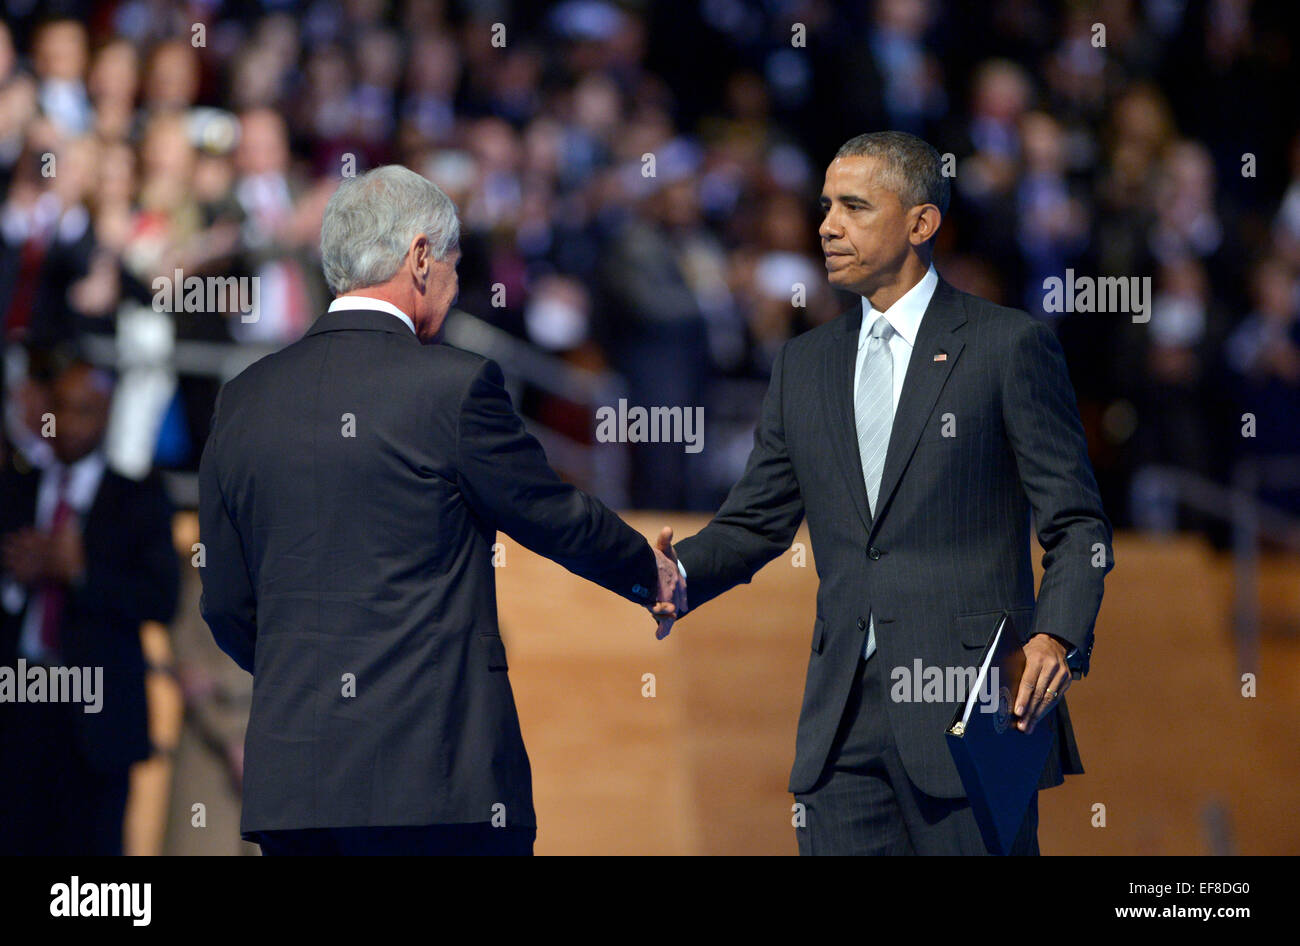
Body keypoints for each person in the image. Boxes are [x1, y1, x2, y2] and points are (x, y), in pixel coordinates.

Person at [198, 165, 683, 856]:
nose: (456, 288)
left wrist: (305, 677)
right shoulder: (454, 388)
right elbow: (552, 513)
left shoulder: (243, 398)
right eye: (455, 266)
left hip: (299, 791)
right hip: (440, 786)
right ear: (422, 258)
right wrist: (649, 571)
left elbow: (224, 604)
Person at [654, 131, 1113, 855]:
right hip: (839, 730)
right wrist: (677, 573)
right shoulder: (803, 365)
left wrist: (1055, 636)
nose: (827, 224)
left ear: (921, 224)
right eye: (827, 205)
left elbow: (1080, 524)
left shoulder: (1005, 346)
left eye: (855, 206)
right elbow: (755, 522)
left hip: (974, 713)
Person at [0, 359, 179, 855]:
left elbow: (161, 602)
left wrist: (79, 574)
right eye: (58, 407)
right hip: (20, 706)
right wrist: (17, 578)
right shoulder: (14, 489)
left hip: (97, 721)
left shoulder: (138, 498)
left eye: (82, 410)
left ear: (104, 417)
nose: (67, 422)